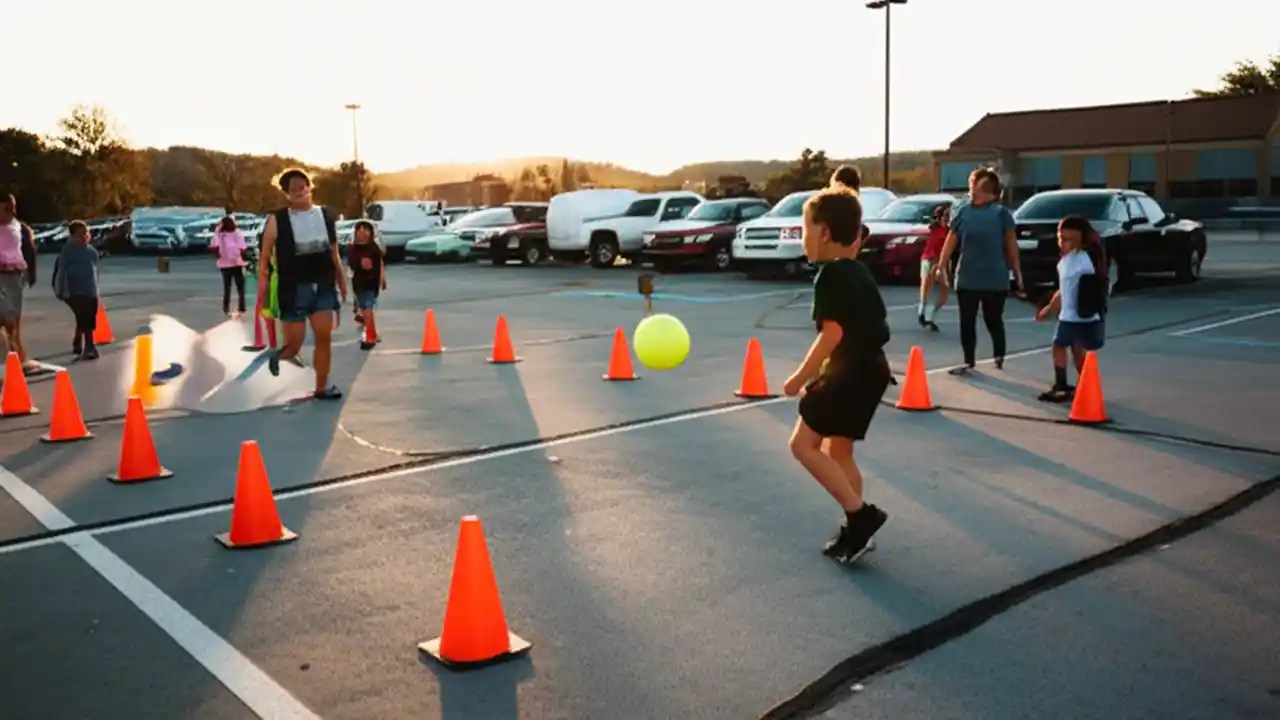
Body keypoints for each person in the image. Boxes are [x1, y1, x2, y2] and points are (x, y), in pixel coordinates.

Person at [783, 185, 892, 565]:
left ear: (825, 233)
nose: (804, 239)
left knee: (802, 446)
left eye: (805, 230)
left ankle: (862, 517)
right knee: (838, 449)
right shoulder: (859, 271)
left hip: (851, 372)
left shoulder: (829, 275)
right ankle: (857, 528)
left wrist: (799, 379)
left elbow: (833, 334)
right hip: (872, 370)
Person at [258, 169, 348, 400]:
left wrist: (342, 280)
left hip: (323, 285)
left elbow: (334, 253)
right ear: (287, 194)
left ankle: (321, 386)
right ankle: (277, 359)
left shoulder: (326, 215)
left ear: (310, 186)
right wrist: (264, 288)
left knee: (323, 337)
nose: (299, 191)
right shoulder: (277, 219)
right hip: (294, 288)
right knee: (294, 345)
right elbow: (265, 256)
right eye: (293, 189)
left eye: (302, 186)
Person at [936, 168, 1023, 375]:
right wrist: (941, 265)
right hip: (967, 276)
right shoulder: (963, 212)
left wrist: (1017, 272)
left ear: (993, 193)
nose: (975, 191)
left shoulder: (1002, 215)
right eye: (973, 186)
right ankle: (968, 360)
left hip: (994, 277)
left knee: (993, 318)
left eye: (981, 188)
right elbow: (951, 241)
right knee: (967, 321)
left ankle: (999, 355)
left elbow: (1011, 245)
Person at [1036, 215, 1108, 402]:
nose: (1063, 243)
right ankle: (1086, 385)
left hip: (1074, 317)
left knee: (1059, 346)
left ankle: (1063, 386)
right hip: (1085, 316)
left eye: (1068, 239)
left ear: (1081, 239)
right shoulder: (1082, 258)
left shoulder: (1079, 260)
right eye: (1061, 238)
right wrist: (1050, 309)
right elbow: (1064, 291)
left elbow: (1068, 291)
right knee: (1078, 351)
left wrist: (1050, 309)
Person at [52, 221, 101, 360]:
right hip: (73, 290)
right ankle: (90, 347)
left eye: (85, 233)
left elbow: (95, 272)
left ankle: (78, 340)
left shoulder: (92, 252)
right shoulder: (67, 251)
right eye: (79, 234)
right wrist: (61, 290)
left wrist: (96, 289)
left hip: (90, 289)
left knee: (87, 316)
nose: (83, 236)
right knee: (85, 316)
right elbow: (60, 271)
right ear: (72, 236)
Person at [0, 192, 38, 371]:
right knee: (6, 318)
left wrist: (31, 272)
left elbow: (28, 250)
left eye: (12, 208)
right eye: (6, 208)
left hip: (15, 275)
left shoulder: (20, 228)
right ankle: (8, 358)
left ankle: (18, 357)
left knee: (14, 318)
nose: (10, 212)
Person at [347, 220, 386, 350]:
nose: (362, 232)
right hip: (360, 283)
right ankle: (371, 334)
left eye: (366, 230)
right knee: (367, 307)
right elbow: (351, 265)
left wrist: (382, 277)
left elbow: (379, 263)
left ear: (371, 233)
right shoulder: (353, 248)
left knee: (368, 307)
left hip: (372, 283)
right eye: (359, 230)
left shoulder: (374, 248)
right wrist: (359, 263)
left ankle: (371, 332)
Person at [917, 203, 951, 331]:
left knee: (942, 289)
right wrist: (937, 265)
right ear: (940, 217)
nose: (948, 219)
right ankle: (924, 315)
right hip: (931, 260)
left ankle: (927, 313)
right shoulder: (936, 229)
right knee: (928, 288)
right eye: (946, 216)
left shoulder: (946, 230)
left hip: (936, 261)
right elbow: (935, 248)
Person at [210, 215, 248, 317]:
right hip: (237, 263)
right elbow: (243, 247)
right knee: (240, 287)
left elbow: (214, 246)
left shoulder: (219, 234)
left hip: (224, 264)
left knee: (227, 287)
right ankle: (242, 307)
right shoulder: (237, 233)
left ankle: (226, 308)